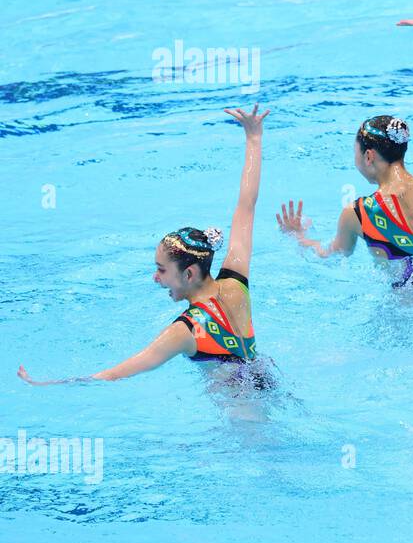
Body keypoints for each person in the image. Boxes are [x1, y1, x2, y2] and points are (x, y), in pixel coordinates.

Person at [18, 106, 269, 387]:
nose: (156, 278)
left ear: (188, 274)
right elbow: (246, 206)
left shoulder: (184, 331)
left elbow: (116, 373)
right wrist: (254, 138)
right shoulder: (236, 284)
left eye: (162, 270)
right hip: (268, 381)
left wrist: (48, 384)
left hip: (239, 406)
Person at [277, 4, 413, 287]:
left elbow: (330, 254)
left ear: (369, 156)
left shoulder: (358, 214)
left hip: (409, 310)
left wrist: (298, 237)